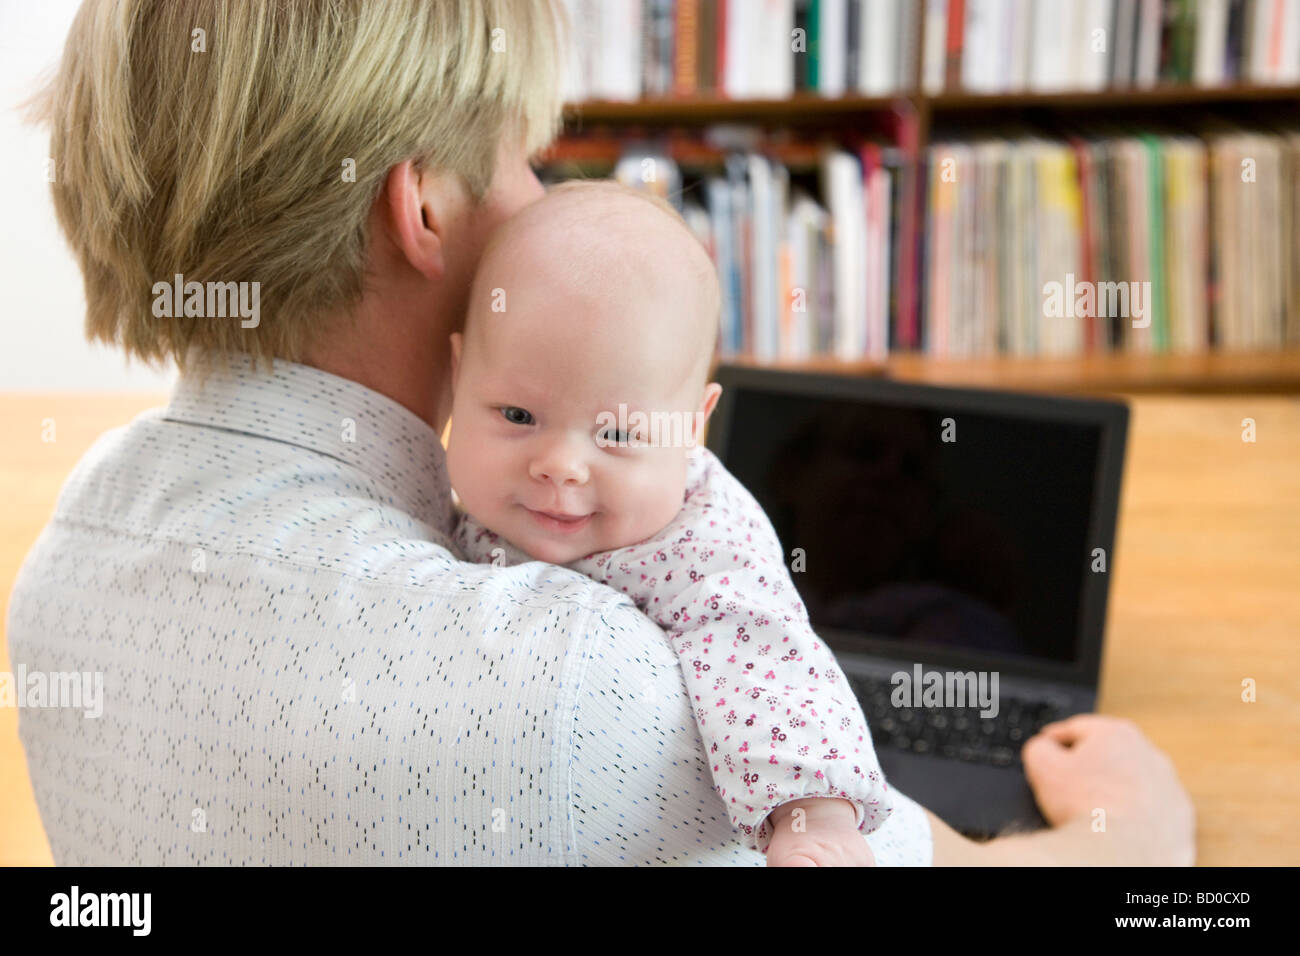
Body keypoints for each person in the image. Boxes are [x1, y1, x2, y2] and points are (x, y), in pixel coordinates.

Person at [7, 0, 1194, 866]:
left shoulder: (57, 564)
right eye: (523, 158)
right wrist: (1134, 833)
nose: (537, 198)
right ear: (421, 205)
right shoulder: (571, 681)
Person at [446, 180, 891, 865]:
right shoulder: (446, 496)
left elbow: (765, 658)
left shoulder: (698, 538)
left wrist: (813, 816)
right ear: (458, 376)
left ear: (691, 427)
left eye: (618, 432)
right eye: (516, 416)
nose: (561, 465)